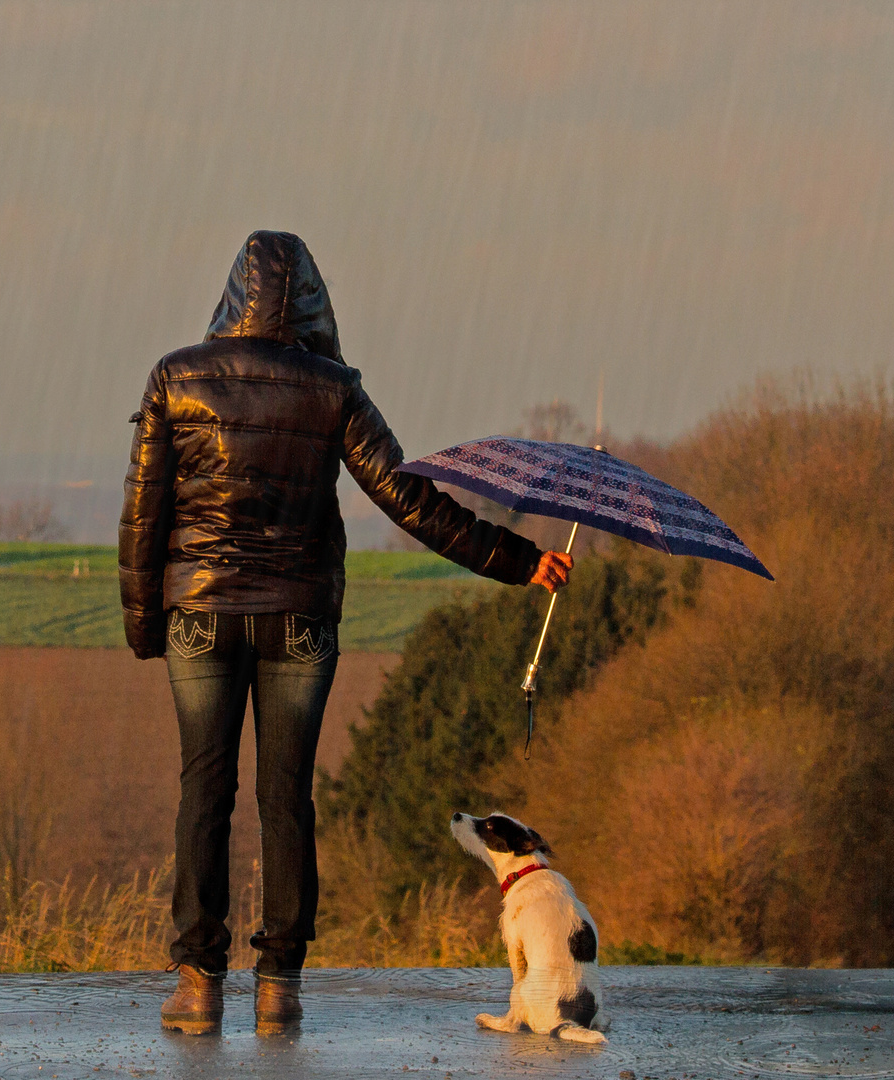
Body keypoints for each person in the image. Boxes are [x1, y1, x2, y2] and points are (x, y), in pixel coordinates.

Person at [119, 231, 573, 1036]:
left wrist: (145, 624)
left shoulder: (176, 377)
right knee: (287, 797)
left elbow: (143, 514)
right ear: (310, 302)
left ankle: (196, 983)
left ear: (232, 295)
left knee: (205, 793)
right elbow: (409, 500)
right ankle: (279, 986)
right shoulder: (333, 389)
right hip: (299, 616)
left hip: (201, 614)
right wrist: (519, 560)